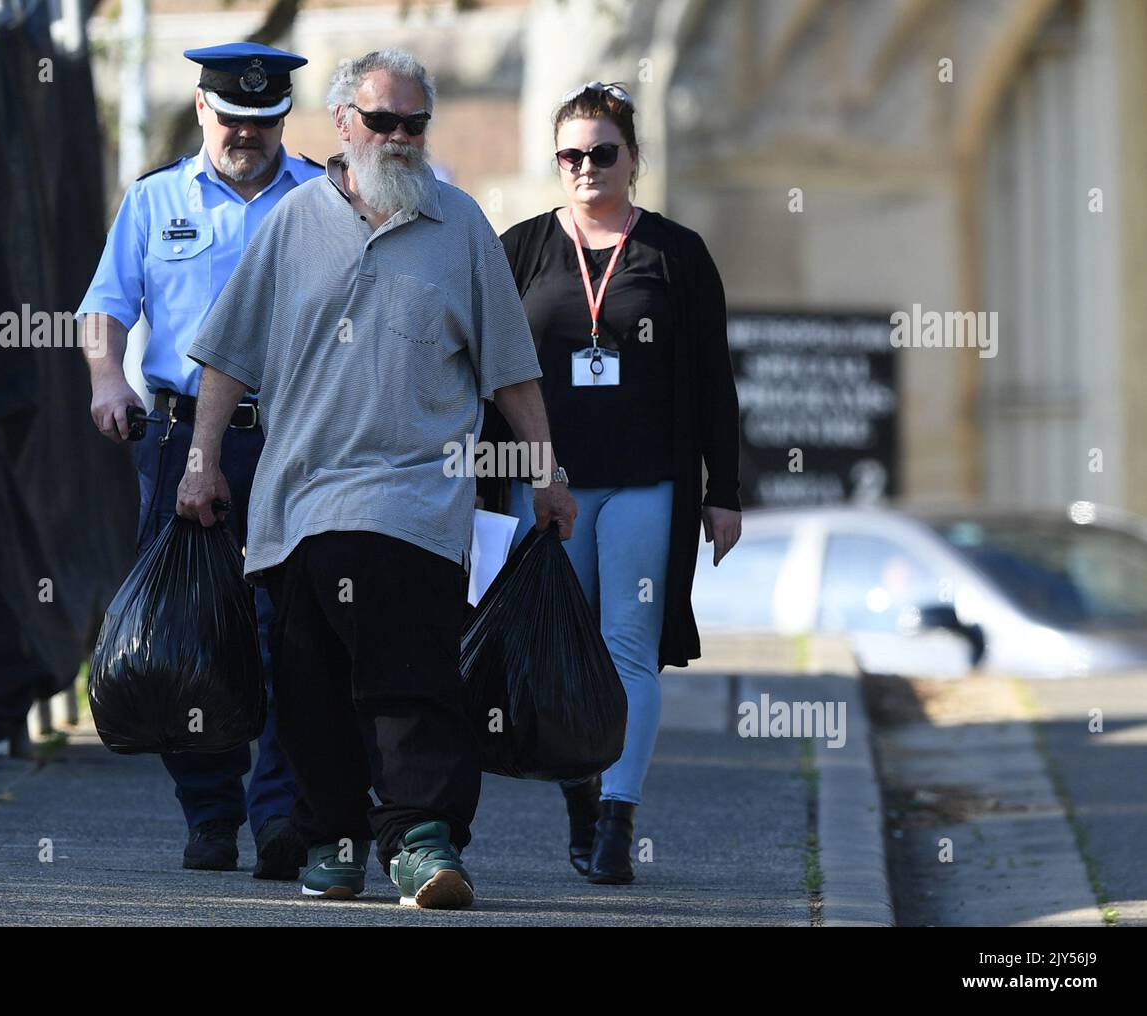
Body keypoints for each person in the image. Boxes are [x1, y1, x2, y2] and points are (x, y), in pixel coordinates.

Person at [175, 49, 576, 909]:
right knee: (311, 685)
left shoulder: (460, 226)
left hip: (417, 497)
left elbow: (510, 368)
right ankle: (335, 839)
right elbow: (225, 357)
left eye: (414, 123)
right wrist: (202, 462)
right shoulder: (289, 224)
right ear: (343, 125)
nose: (398, 137)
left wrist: (547, 473)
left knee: (408, 670)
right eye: (382, 120)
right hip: (297, 501)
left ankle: (424, 836)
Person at [483, 81, 743, 885]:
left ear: (633, 159)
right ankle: (578, 800)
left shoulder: (676, 253)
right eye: (571, 155)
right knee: (560, 648)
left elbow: (712, 379)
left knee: (628, 644)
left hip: (645, 481)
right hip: (544, 482)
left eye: (603, 153)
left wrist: (723, 489)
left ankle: (617, 823)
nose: (586, 167)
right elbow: (486, 369)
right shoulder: (518, 247)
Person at [76, 43, 325, 878]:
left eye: (264, 121)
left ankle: (282, 814)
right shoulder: (154, 201)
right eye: (232, 119)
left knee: (295, 632)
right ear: (201, 108)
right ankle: (210, 815)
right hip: (179, 439)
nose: (247, 135)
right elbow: (103, 308)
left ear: (284, 119)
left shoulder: (325, 197)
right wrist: (108, 380)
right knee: (186, 634)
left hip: (297, 438)